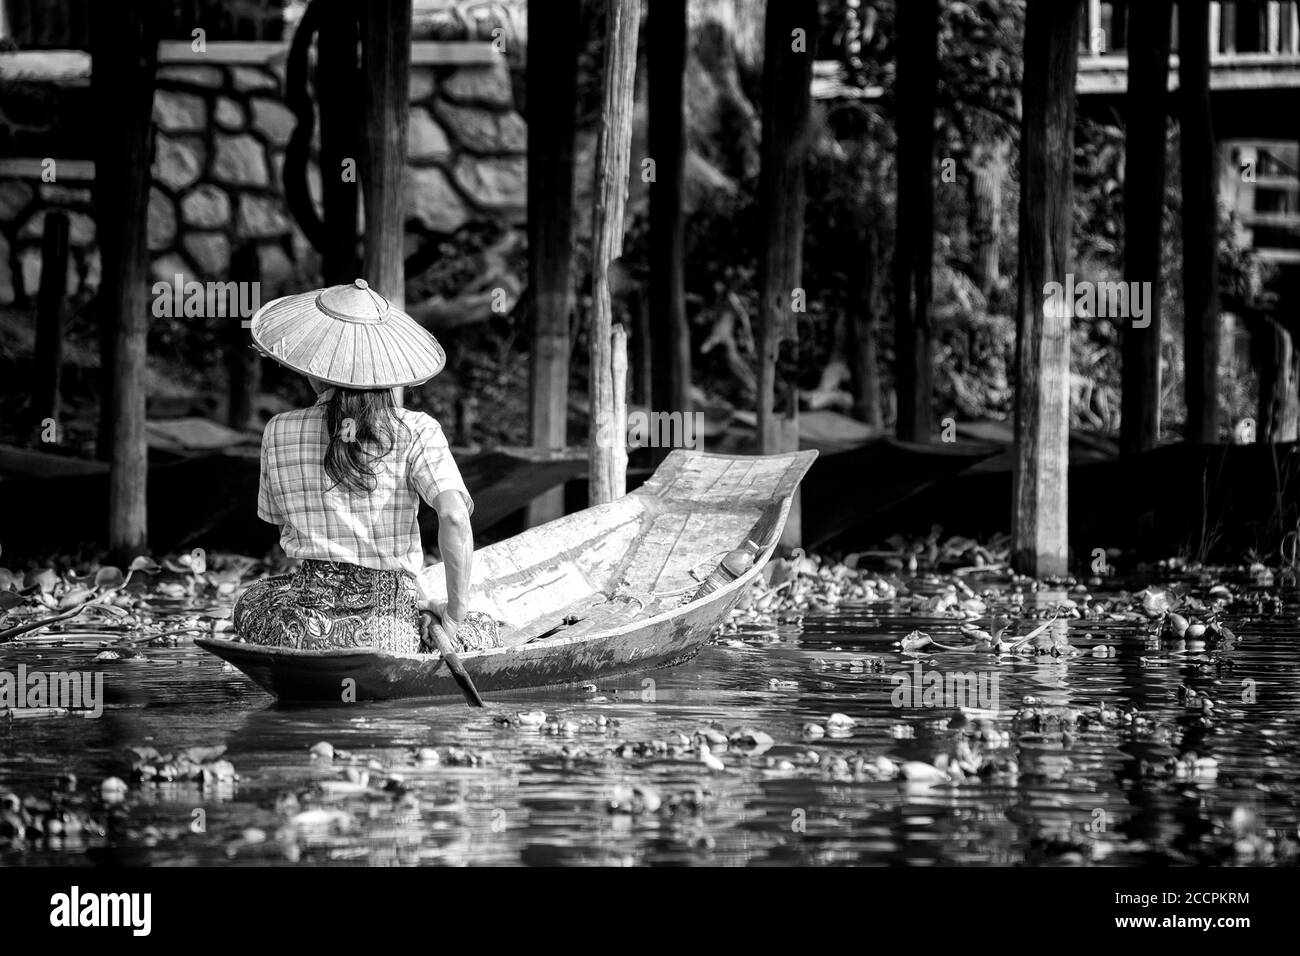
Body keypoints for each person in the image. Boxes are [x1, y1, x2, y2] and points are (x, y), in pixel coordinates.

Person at [232, 278, 495, 655]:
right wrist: (452, 617)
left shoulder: (278, 429)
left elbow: (275, 518)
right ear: (387, 370)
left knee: (252, 599)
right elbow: (454, 517)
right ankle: (429, 620)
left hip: (305, 629)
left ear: (314, 366)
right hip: (388, 634)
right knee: (486, 627)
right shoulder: (417, 429)